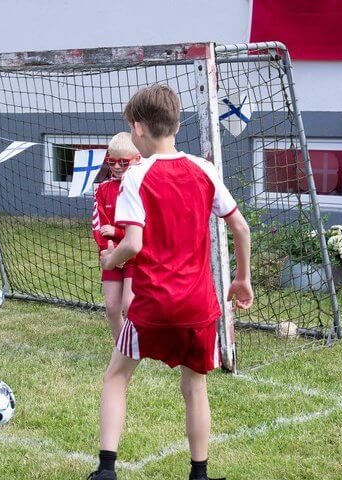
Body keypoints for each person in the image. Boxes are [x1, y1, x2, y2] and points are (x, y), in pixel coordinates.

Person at [86, 85, 253, 480]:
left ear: (139, 128)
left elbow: (133, 243)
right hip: (198, 306)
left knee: (116, 376)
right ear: (175, 125)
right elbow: (241, 227)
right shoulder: (204, 168)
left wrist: (112, 257)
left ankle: (106, 469)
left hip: (153, 306)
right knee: (194, 386)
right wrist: (242, 279)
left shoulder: (137, 177)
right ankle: (199, 474)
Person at [92, 133, 141, 342]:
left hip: (134, 255)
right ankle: (122, 347)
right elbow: (99, 226)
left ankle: (140, 345)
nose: (117, 167)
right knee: (112, 308)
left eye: (123, 162)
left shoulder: (141, 187)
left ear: (137, 159)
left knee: (130, 305)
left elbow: (143, 230)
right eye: (112, 162)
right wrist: (108, 248)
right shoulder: (103, 189)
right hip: (109, 254)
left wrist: (119, 233)